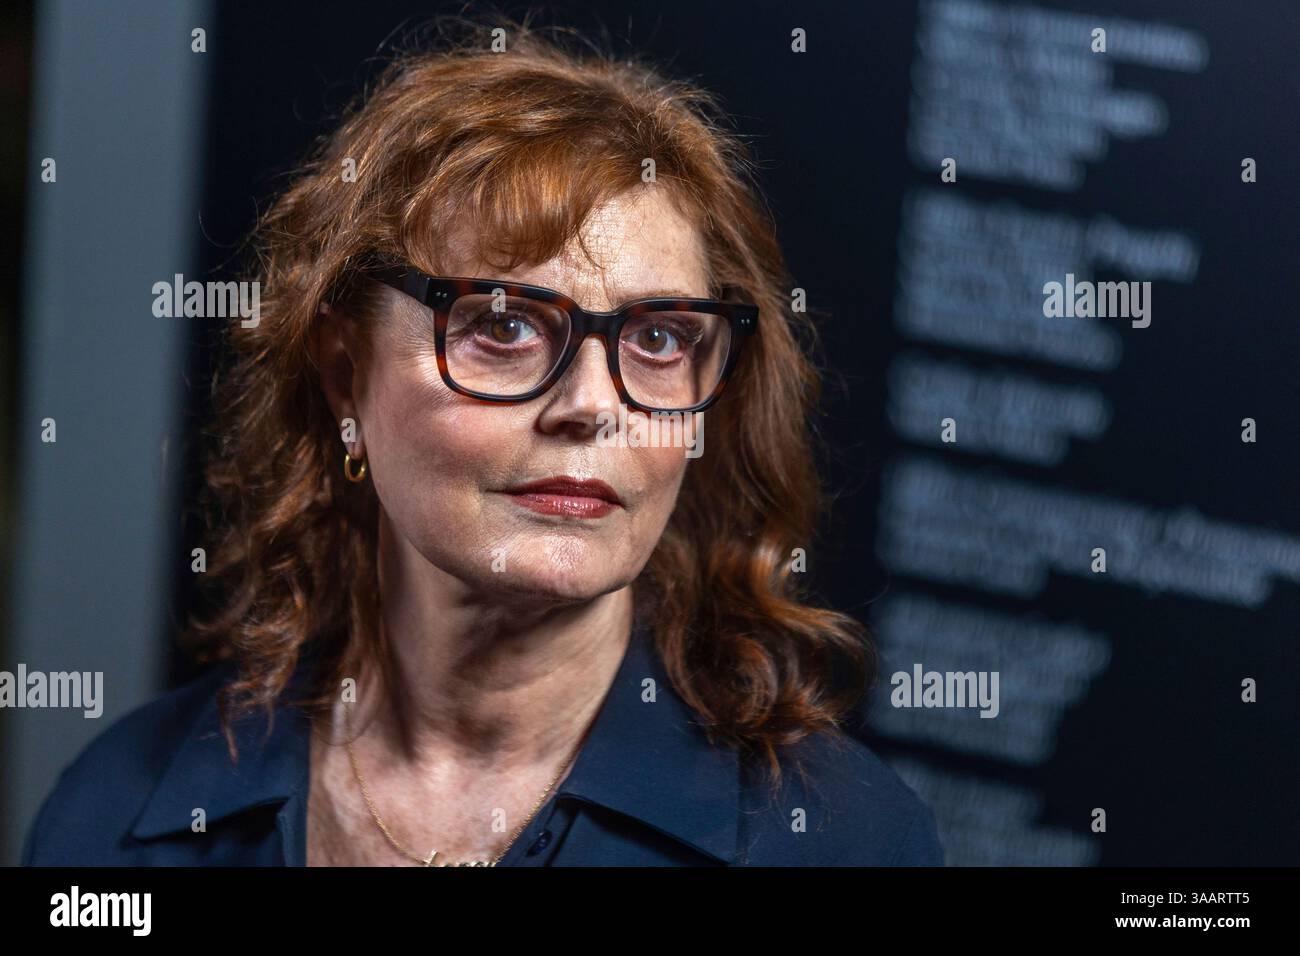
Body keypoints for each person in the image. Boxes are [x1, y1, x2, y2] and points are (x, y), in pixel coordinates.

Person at [23, 18, 943, 867]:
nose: (591, 406)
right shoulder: (121, 815)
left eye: (658, 339)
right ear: (347, 374)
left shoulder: (841, 844)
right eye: (502, 327)